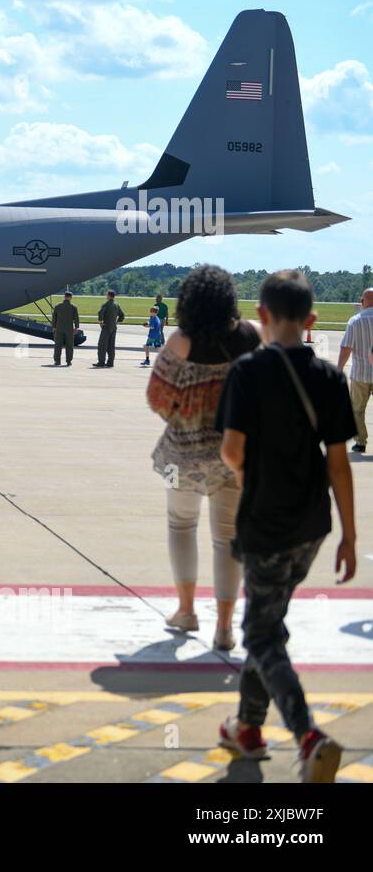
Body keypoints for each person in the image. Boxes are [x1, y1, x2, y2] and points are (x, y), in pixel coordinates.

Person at [216, 269, 358, 782]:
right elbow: (338, 462)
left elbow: (231, 450)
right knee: (267, 622)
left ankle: (308, 735)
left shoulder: (247, 372)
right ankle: (248, 728)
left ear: (262, 317)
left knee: (261, 636)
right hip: (312, 528)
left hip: (266, 525)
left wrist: (252, 475)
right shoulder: (327, 377)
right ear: (313, 320)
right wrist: (350, 534)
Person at [147, 266, 260, 651]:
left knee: (181, 525)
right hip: (236, 454)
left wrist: (182, 415)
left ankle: (186, 609)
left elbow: (156, 396)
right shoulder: (250, 336)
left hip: (184, 454)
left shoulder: (181, 341)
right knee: (227, 538)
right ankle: (225, 627)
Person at [337, 287, 373, 453]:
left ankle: (361, 442)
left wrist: (339, 368)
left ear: (363, 301)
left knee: (357, 410)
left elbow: (346, 348)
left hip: (360, 373)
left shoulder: (355, 321)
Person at [94, 290, 126, 368]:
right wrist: (118, 322)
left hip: (106, 327)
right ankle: (110, 362)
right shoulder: (116, 305)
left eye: (107, 295)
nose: (106, 296)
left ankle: (101, 362)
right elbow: (122, 315)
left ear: (109, 296)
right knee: (111, 346)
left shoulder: (106, 304)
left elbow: (101, 313)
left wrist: (100, 322)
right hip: (113, 328)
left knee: (102, 345)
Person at [51, 291, 80, 366]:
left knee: (58, 345)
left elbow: (54, 318)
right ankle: (68, 361)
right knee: (69, 346)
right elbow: (76, 318)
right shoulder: (73, 307)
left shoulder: (58, 306)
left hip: (59, 329)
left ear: (64, 297)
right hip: (69, 329)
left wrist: (54, 327)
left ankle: (57, 361)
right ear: (70, 298)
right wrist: (76, 327)